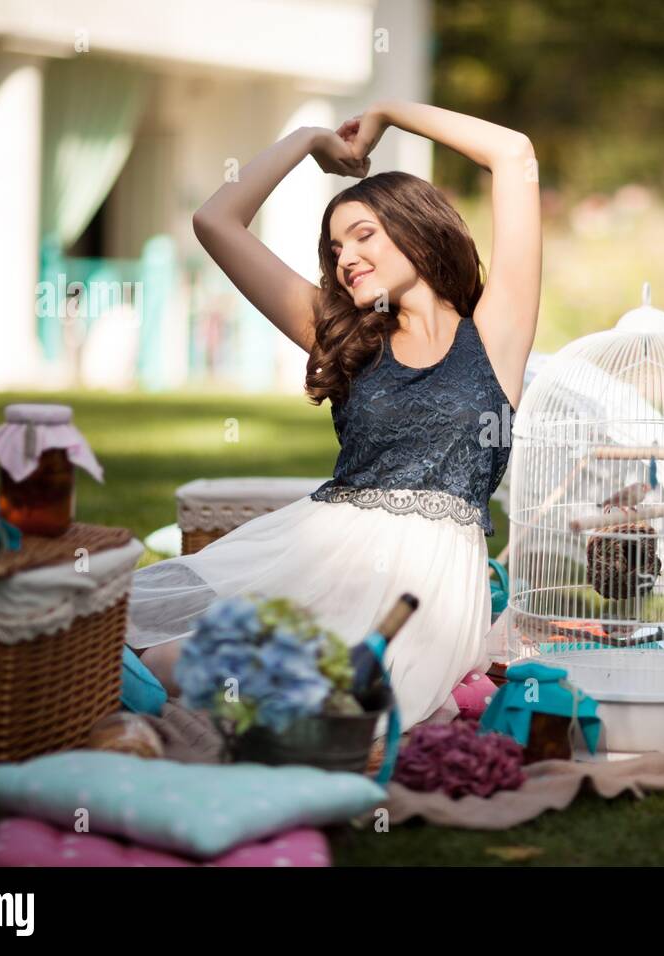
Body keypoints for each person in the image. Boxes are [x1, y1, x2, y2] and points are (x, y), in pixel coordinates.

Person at [126, 100, 541, 732]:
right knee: (152, 657)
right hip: (317, 557)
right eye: (336, 247)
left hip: (425, 596)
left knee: (338, 712)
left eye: (363, 235)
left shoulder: (494, 338)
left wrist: (389, 114)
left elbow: (514, 154)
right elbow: (216, 220)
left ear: (421, 230)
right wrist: (308, 140)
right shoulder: (345, 335)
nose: (344, 258)